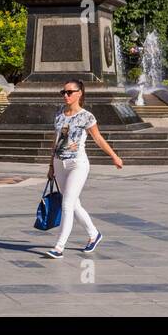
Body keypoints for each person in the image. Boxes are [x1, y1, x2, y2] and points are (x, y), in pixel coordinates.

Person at [45, 79, 123, 259]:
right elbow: (56, 141)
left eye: (69, 92)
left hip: (77, 164)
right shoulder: (59, 114)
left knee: (67, 204)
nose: (65, 95)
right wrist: (51, 165)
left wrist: (114, 156)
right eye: (63, 92)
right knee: (74, 204)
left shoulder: (87, 116)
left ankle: (59, 247)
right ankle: (94, 234)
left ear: (79, 93)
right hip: (59, 163)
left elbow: (98, 139)